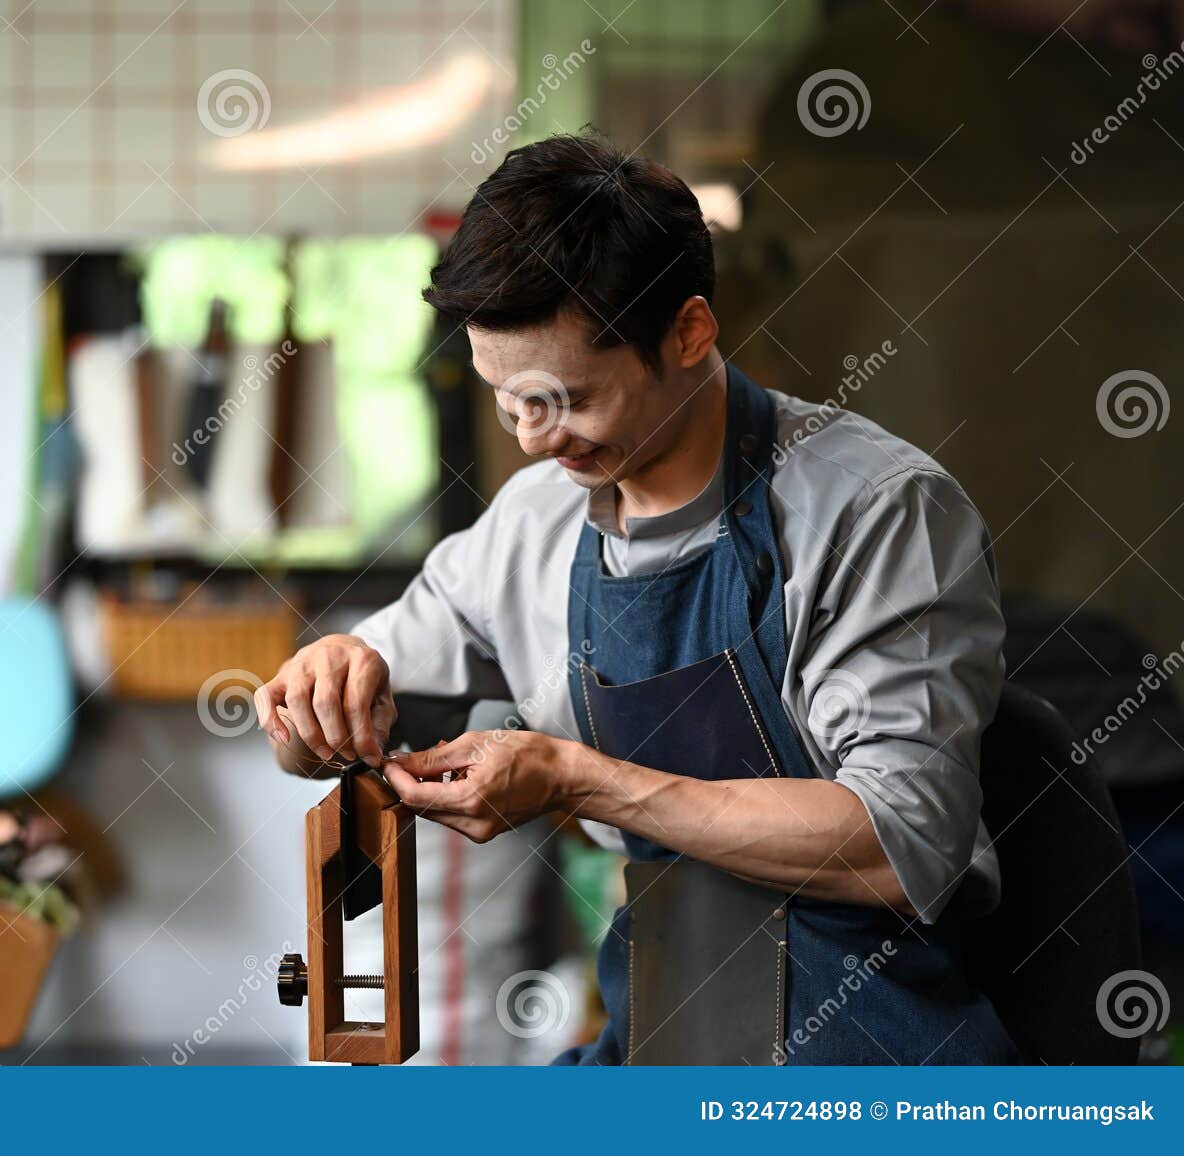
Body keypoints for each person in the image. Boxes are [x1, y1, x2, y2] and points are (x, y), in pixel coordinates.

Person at [256, 133, 1015, 1065]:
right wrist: (314, 702)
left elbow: (904, 843)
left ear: (690, 333)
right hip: (666, 1036)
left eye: (564, 399)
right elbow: (341, 717)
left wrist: (579, 778)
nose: (535, 440)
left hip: (876, 1053)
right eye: (507, 401)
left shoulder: (875, 511)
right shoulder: (535, 523)